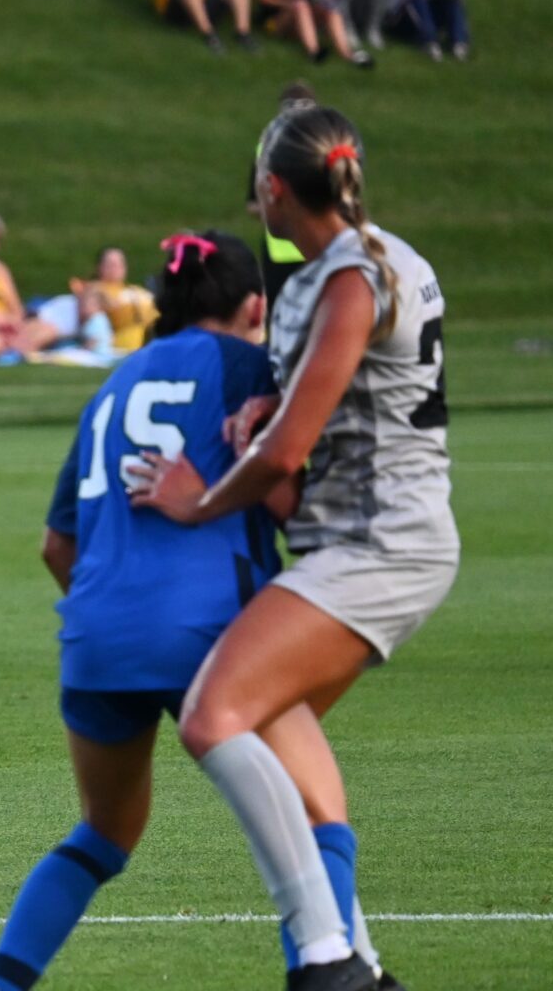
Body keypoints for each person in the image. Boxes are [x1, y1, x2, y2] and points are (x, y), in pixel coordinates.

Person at [0, 230, 378, 991]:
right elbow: (292, 489)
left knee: (103, 835)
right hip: (212, 634)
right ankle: (325, 974)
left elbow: (56, 545)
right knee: (319, 813)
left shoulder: (113, 383)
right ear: (256, 307)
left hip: (96, 638)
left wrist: (123, 617)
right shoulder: (254, 370)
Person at [130, 106, 450, 991]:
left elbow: (283, 457)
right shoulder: (377, 261)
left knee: (213, 717)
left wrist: (197, 503)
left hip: (378, 543)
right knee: (278, 749)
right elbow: (351, 397)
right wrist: (275, 404)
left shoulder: (347, 278)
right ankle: (360, 969)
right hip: (370, 537)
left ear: (274, 189)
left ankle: (324, 965)